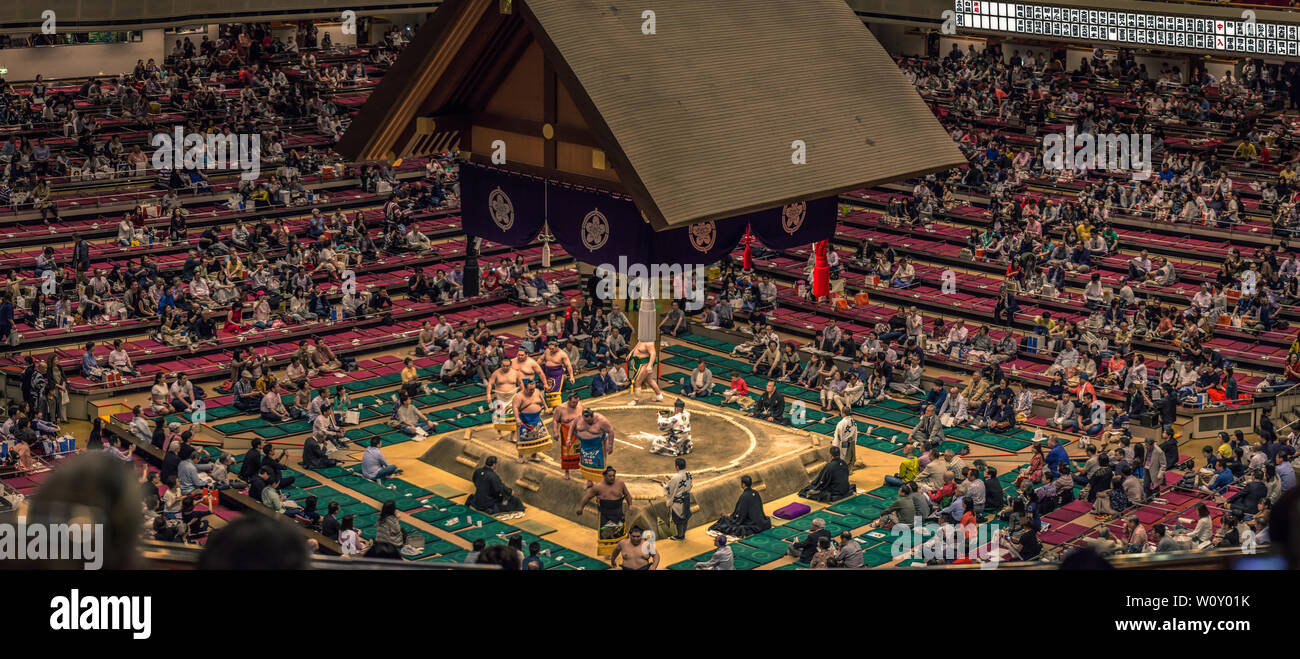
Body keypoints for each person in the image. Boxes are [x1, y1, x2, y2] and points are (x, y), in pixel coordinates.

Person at [576, 467, 632, 547]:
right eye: (610, 476)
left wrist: (630, 505)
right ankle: (608, 551)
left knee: (619, 532)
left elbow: (627, 495)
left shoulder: (620, 483)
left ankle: (620, 548)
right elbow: (587, 497)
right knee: (606, 534)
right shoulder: (597, 487)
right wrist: (581, 508)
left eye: (613, 476)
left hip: (618, 512)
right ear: (604, 476)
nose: (612, 478)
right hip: (605, 514)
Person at [510, 377, 552, 463]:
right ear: (525, 387)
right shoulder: (519, 396)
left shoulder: (536, 391)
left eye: (533, 389)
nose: (532, 391)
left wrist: (546, 407)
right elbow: (515, 407)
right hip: (525, 420)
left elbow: (542, 399)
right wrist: (517, 419)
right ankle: (520, 456)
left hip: (536, 418)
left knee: (537, 438)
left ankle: (534, 455)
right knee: (522, 439)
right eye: (530, 389)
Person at [552, 393, 584, 480]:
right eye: (573, 402)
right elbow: (555, 420)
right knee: (566, 452)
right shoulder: (560, 408)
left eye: (576, 402)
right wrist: (555, 432)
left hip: (579, 433)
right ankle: (567, 472)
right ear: (568, 400)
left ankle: (583, 470)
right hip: (566, 432)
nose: (575, 404)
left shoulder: (580, 405)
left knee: (581, 451)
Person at [661, 457, 693, 540]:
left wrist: (663, 485)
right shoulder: (689, 474)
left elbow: (669, 489)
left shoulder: (676, 477)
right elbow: (689, 485)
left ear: (677, 467)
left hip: (678, 502)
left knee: (678, 520)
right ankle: (683, 534)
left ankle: (680, 536)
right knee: (685, 517)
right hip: (686, 499)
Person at [628, 339, 664, 403]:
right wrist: (631, 353)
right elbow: (637, 346)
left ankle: (635, 400)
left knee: (638, 381)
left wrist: (650, 365)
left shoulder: (649, 342)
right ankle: (659, 396)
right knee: (649, 380)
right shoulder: (642, 338)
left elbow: (653, 353)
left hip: (645, 363)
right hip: (639, 362)